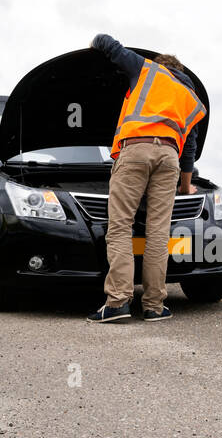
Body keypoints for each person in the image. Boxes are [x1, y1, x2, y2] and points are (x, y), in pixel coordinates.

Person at [87, 33, 205, 323]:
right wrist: (186, 185)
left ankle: (117, 302)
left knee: (120, 227)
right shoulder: (188, 95)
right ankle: (154, 306)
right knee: (158, 233)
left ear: (161, 65)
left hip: (136, 151)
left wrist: (93, 44)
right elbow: (188, 146)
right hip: (169, 159)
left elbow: (109, 44)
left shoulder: (147, 70)